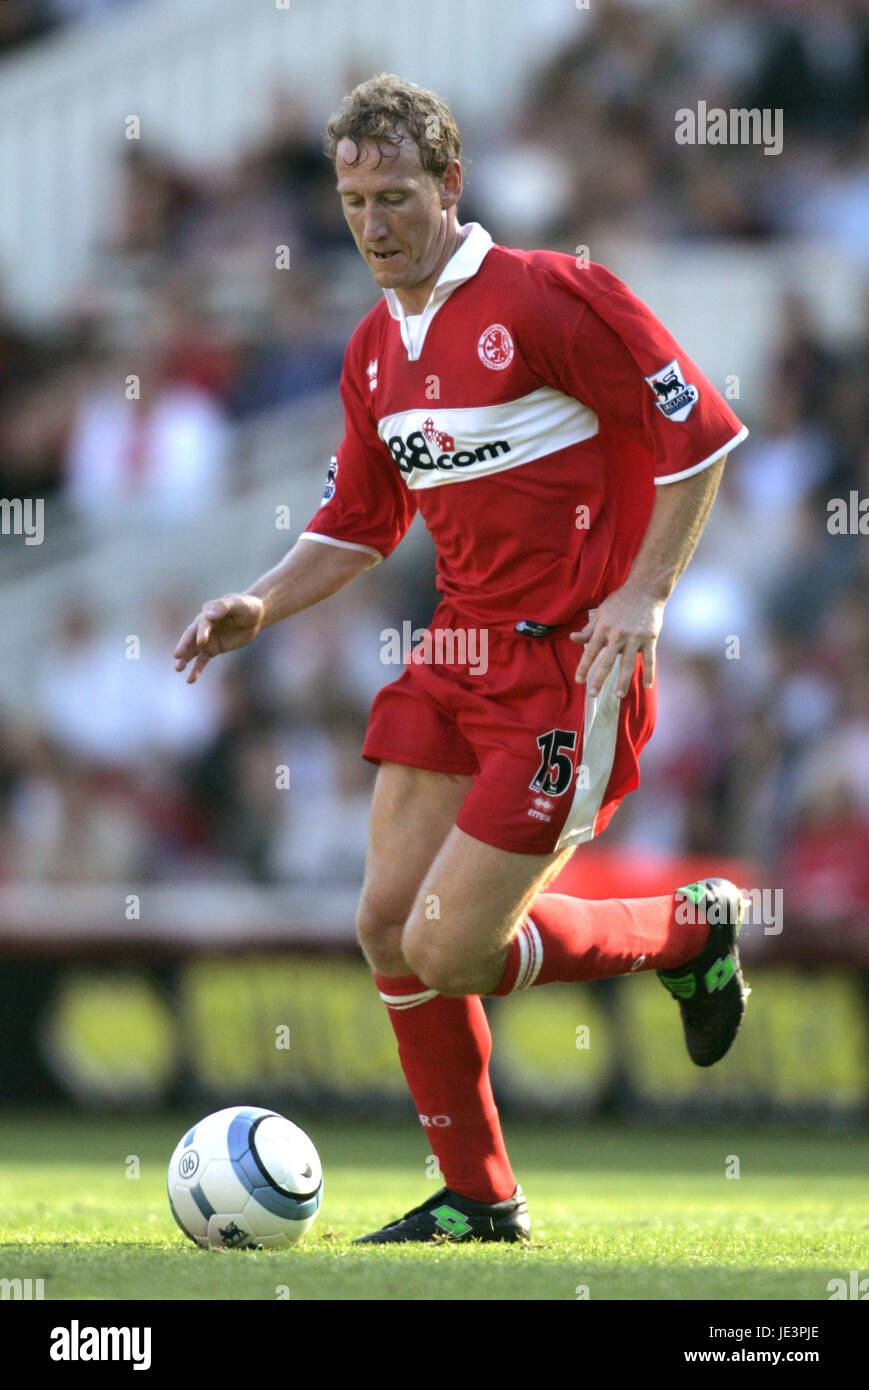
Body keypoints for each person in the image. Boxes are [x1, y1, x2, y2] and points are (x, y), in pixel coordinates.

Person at [174, 74, 751, 1245]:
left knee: (454, 948)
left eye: (394, 194)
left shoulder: (551, 297)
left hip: (564, 668)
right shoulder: (374, 351)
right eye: (352, 201)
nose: (373, 223)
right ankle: (480, 1199)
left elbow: (698, 438)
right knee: (386, 926)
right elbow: (357, 521)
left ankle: (691, 932)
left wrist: (641, 593)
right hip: (451, 653)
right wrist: (259, 603)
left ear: (449, 183)